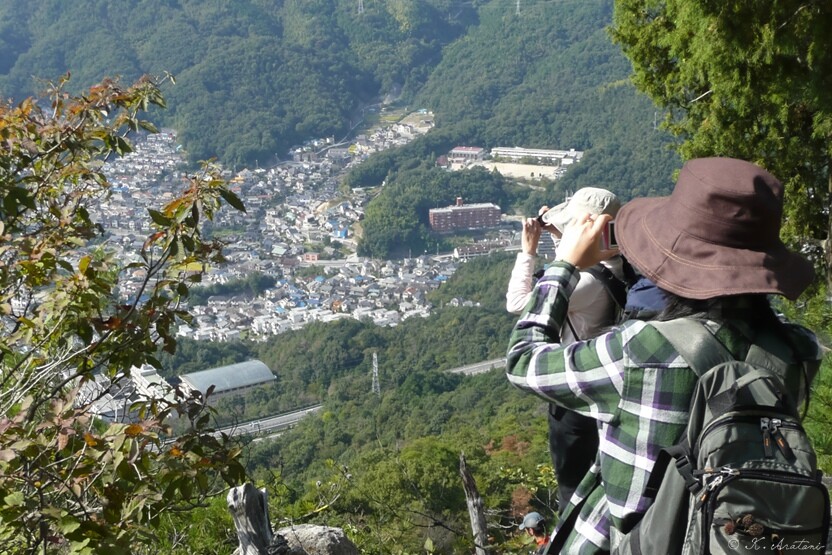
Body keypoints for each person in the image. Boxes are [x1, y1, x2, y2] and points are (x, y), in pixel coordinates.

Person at [505, 157, 823, 553]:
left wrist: (564, 264)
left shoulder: (640, 348)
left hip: (640, 541)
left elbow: (522, 361)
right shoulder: (800, 351)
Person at [505, 188, 625, 513]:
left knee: (572, 492)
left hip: (577, 399)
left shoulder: (585, 285)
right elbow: (585, 259)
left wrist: (528, 251)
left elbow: (518, 303)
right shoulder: (622, 264)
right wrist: (560, 235)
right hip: (611, 388)